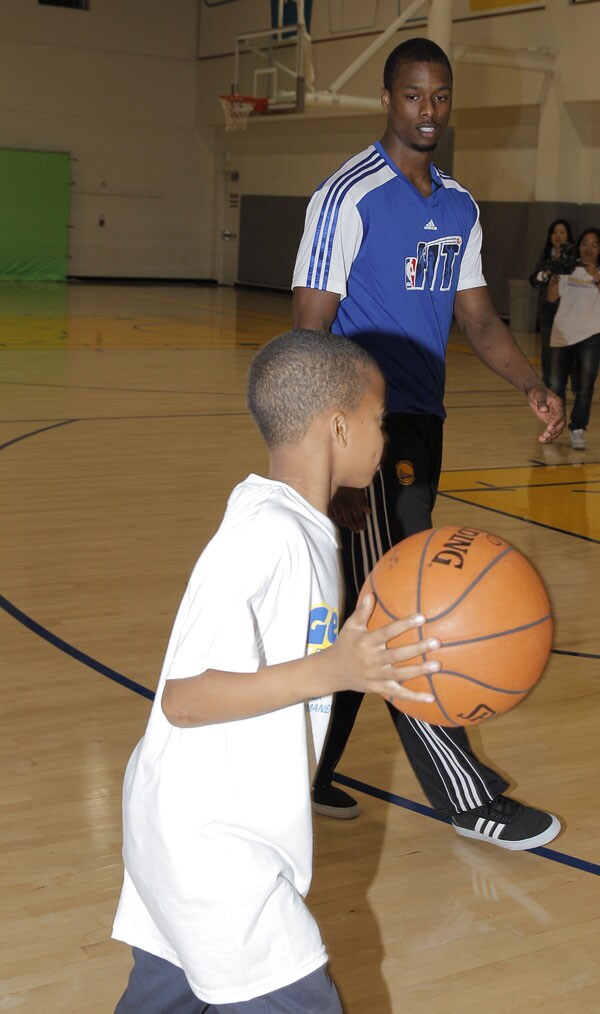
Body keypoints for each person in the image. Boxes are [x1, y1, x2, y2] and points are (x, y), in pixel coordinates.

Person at [111, 329, 442, 1013]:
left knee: (165, 998)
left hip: (185, 819)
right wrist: (337, 669)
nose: (386, 438)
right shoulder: (269, 534)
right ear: (339, 425)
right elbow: (184, 698)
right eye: (380, 421)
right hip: (212, 844)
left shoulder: (300, 523)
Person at [292, 37, 565, 850]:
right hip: (356, 430)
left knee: (363, 602)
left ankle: (303, 774)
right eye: (414, 96)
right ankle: (465, 793)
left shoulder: (459, 207)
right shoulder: (348, 197)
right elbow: (308, 324)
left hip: (423, 425)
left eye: (441, 98)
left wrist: (529, 384)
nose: (429, 112)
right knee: (401, 604)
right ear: (388, 99)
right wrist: (323, 441)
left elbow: (477, 317)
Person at [547, 227, 600, 450]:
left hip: (591, 335)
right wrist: (555, 276)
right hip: (563, 333)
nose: (589, 248)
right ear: (578, 246)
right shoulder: (569, 268)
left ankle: (577, 428)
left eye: (594, 245)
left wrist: (596, 278)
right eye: (585, 243)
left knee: (585, 386)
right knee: (555, 385)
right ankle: (553, 425)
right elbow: (551, 298)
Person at [529, 218, 575, 387]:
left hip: (569, 312)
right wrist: (546, 274)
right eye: (554, 232)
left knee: (570, 351)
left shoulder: (575, 257)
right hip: (548, 310)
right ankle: (548, 386)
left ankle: (569, 381)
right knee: (548, 351)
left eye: (562, 232)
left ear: (568, 236)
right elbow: (533, 280)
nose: (558, 236)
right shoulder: (546, 255)